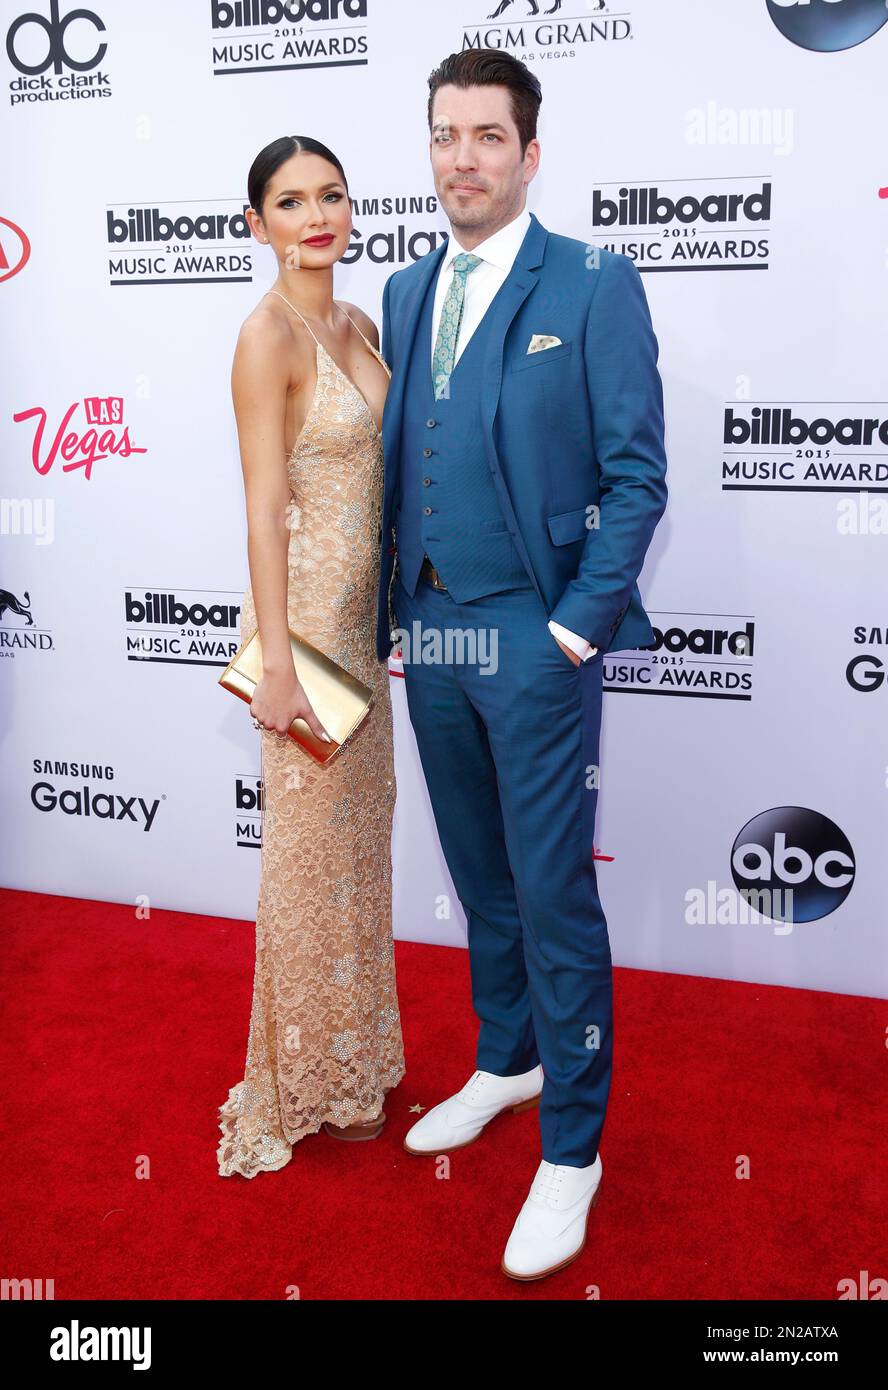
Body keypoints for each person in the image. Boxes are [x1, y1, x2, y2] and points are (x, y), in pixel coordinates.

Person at [376, 51, 668, 1277]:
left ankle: (573, 1148)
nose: (462, 159)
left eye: (487, 137)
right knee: (481, 876)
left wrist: (571, 628)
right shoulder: (403, 287)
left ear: (530, 153)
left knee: (555, 896)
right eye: (445, 136)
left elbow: (636, 477)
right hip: (430, 634)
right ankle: (508, 1058)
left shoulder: (596, 283)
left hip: (534, 636)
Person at [217, 135, 405, 1178]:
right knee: (303, 861)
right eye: (290, 201)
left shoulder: (359, 320)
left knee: (355, 859)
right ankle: (298, 1078)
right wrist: (279, 660)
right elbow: (261, 511)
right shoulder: (266, 336)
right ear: (258, 223)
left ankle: (357, 1059)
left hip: (367, 631)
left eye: (330, 194)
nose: (315, 215)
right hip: (311, 640)